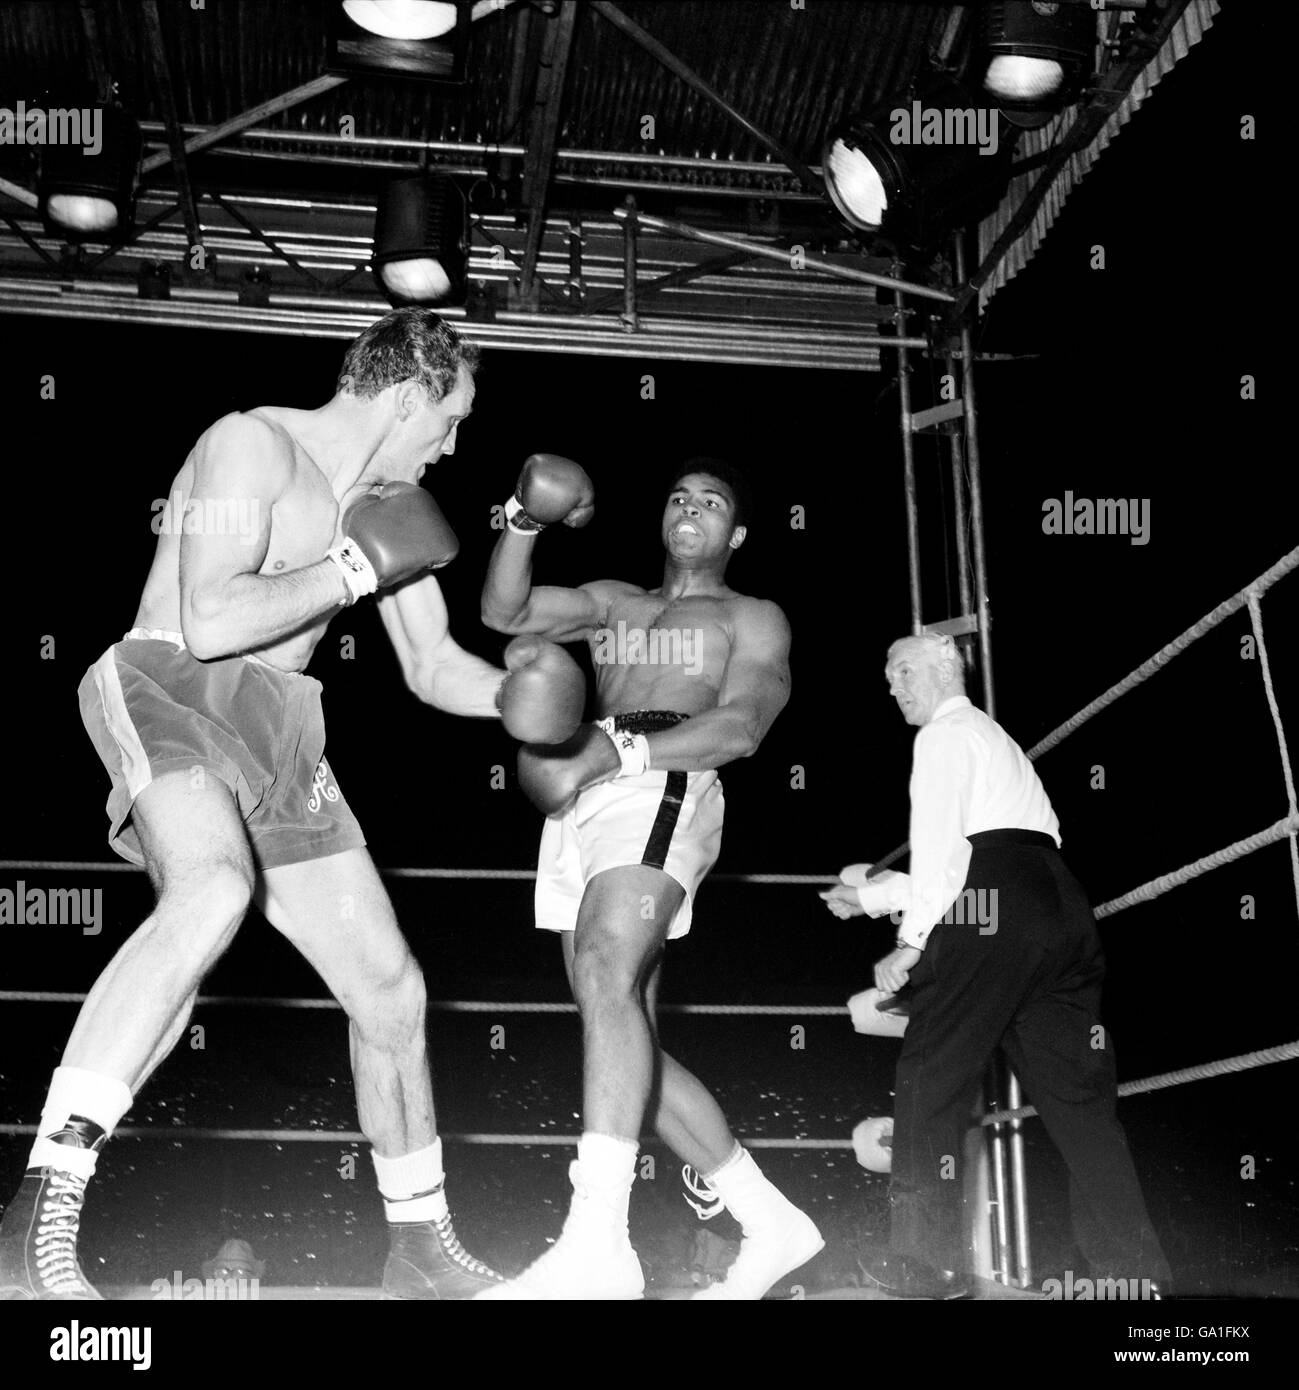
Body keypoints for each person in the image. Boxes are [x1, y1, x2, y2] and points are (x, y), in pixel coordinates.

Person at [0, 308, 584, 1302]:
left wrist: (531, 700)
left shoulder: (392, 499)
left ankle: (420, 1249)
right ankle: (36, 1216)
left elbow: (433, 663)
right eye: (451, 419)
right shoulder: (248, 444)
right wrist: (355, 566)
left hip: (282, 731)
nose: (454, 445)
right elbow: (210, 615)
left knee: (392, 990)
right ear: (406, 396)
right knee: (212, 891)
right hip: (173, 685)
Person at [476, 454, 824, 1300]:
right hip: (580, 787)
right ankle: (772, 1221)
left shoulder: (751, 614)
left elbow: (741, 727)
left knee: (603, 974)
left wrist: (624, 751)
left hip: (662, 771)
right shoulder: (614, 603)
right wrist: (523, 522)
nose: (690, 509)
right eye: (677, 496)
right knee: (619, 1021)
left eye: (711, 502)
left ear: (734, 534)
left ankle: (596, 1244)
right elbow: (504, 609)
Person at [821, 632, 1170, 1298]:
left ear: (942, 670)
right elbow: (994, 857)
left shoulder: (941, 736)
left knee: (930, 1074)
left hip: (992, 901)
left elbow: (947, 855)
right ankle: (1134, 1278)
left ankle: (925, 1266)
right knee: (1080, 1107)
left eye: (900, 669)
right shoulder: (996, 740)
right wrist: (870, 897)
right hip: (1058, 907)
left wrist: (911, 940)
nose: (890, 685)